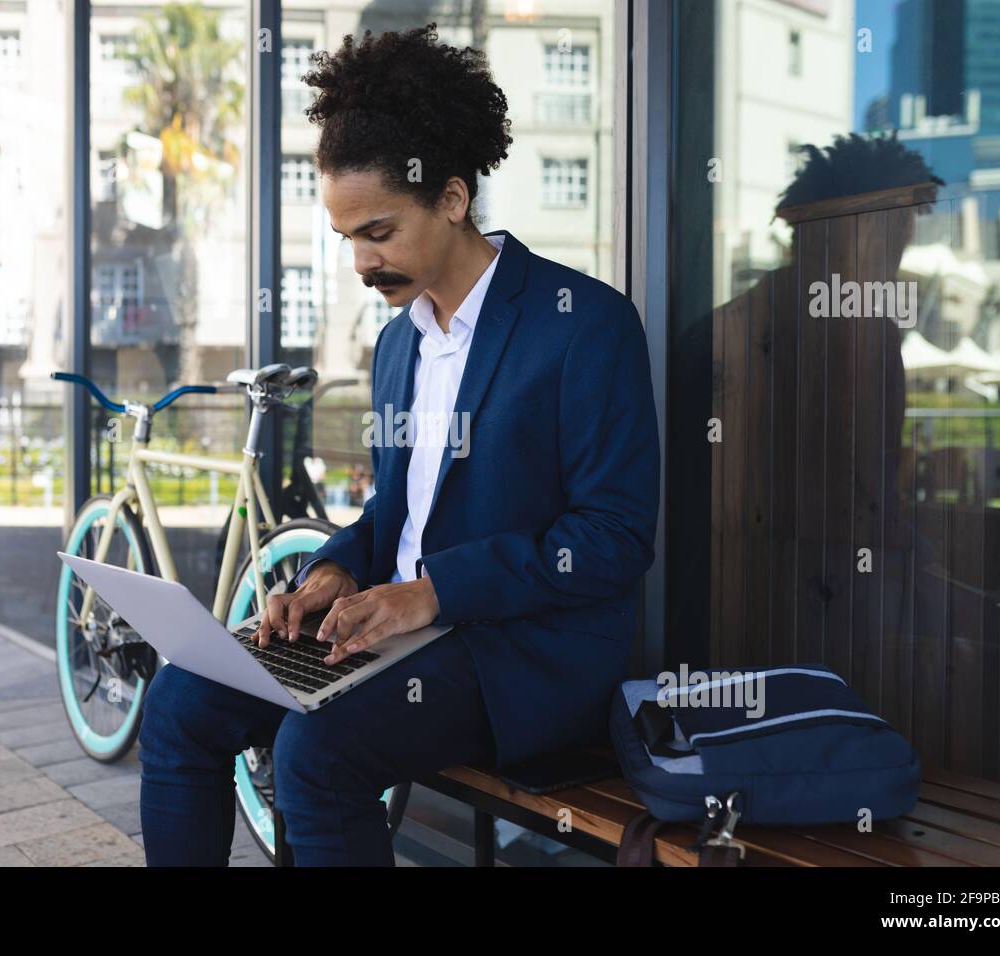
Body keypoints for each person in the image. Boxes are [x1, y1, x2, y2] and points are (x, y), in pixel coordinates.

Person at [137, 22, 660, 866]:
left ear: (451, 199)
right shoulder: (400, 342)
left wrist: (432, 593)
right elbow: (396, 511)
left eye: (377, 231)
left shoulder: (584, 325)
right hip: (390, 632)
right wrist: (334, 572)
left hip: (518, 657)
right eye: (346, 237)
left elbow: (615, 537)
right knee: (179, 701)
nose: (359, 260)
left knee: (317, 752)